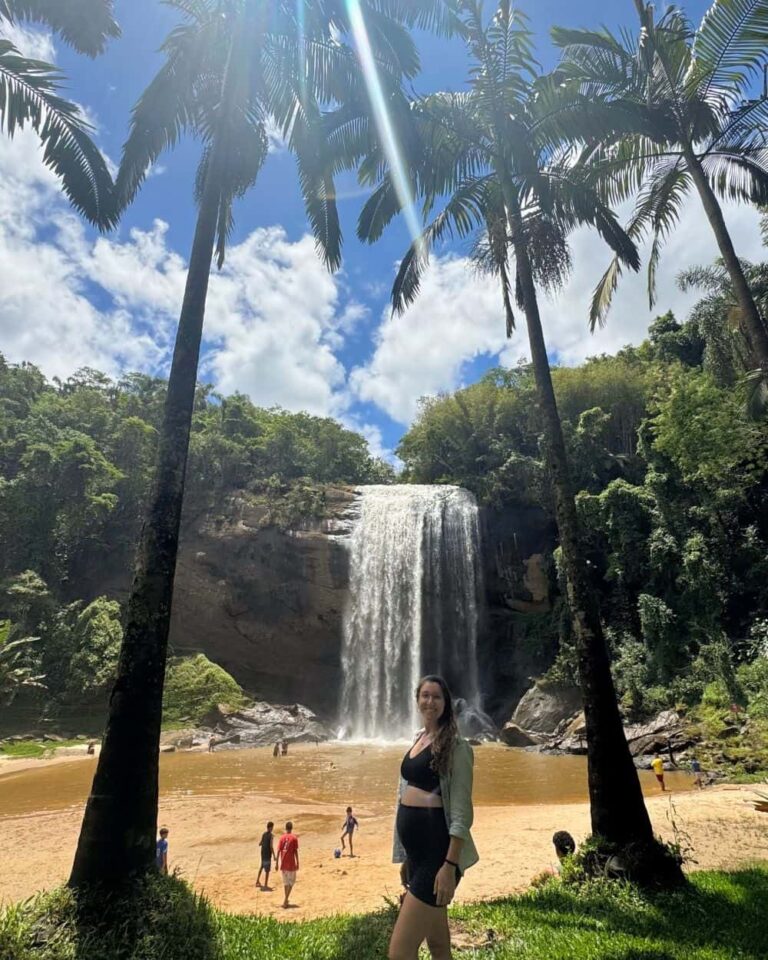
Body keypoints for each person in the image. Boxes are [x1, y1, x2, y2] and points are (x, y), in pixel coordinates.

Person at [389, 675, 479, 960]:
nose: (430, 701)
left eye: (437, 696)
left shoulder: (456, 746)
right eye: (425, 695)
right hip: (417, 857)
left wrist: (449, 866)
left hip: (437, 858)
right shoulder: (418, 738)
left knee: (400, 952)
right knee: (439, 946)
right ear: (417, 700)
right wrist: (406, 856)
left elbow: (462, 811)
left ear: (446, 703)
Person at [276, 820, 299, 908]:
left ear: (286, 828)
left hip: (283, 863)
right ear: (291, 828)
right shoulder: (294, 838)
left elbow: (279, 850)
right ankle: (285, 900)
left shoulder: (281, 838)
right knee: (291, 882)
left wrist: (277, 863)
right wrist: (298, 862)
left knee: (286, 883)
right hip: (291, 863)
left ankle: (286, 900)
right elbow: (295, 851)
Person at [256, 821, 275, 890]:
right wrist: (274, 856)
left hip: (263, 853)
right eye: (272, 827)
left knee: (261, 867)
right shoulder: (271, 836)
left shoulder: (264, 834)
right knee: (267, 870)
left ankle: (257, 881)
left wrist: (261, 843)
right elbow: (271, 846)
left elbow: (260, 843)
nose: (272, 828)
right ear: (270, 827)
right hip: (267, 854)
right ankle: (265, 885)